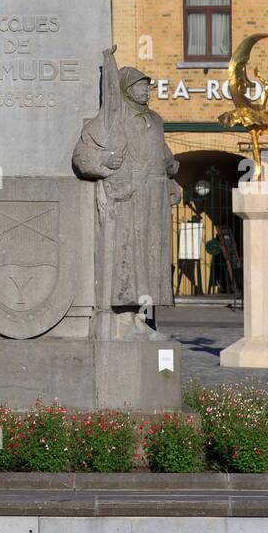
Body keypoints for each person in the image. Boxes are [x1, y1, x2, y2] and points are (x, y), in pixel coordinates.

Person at [73, 51, 180, 339]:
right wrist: (104, 164)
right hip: (129, 201)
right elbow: (83, 157)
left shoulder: (156, 120)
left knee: (152, 262)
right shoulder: (112, 119)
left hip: (154, 202)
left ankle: (144, 321)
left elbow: (163, 155)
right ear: (125, 90)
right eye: (139, 86)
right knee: (129, 261)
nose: (145, 90)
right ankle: (125, 322)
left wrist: (171, 172)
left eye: (147, 86)